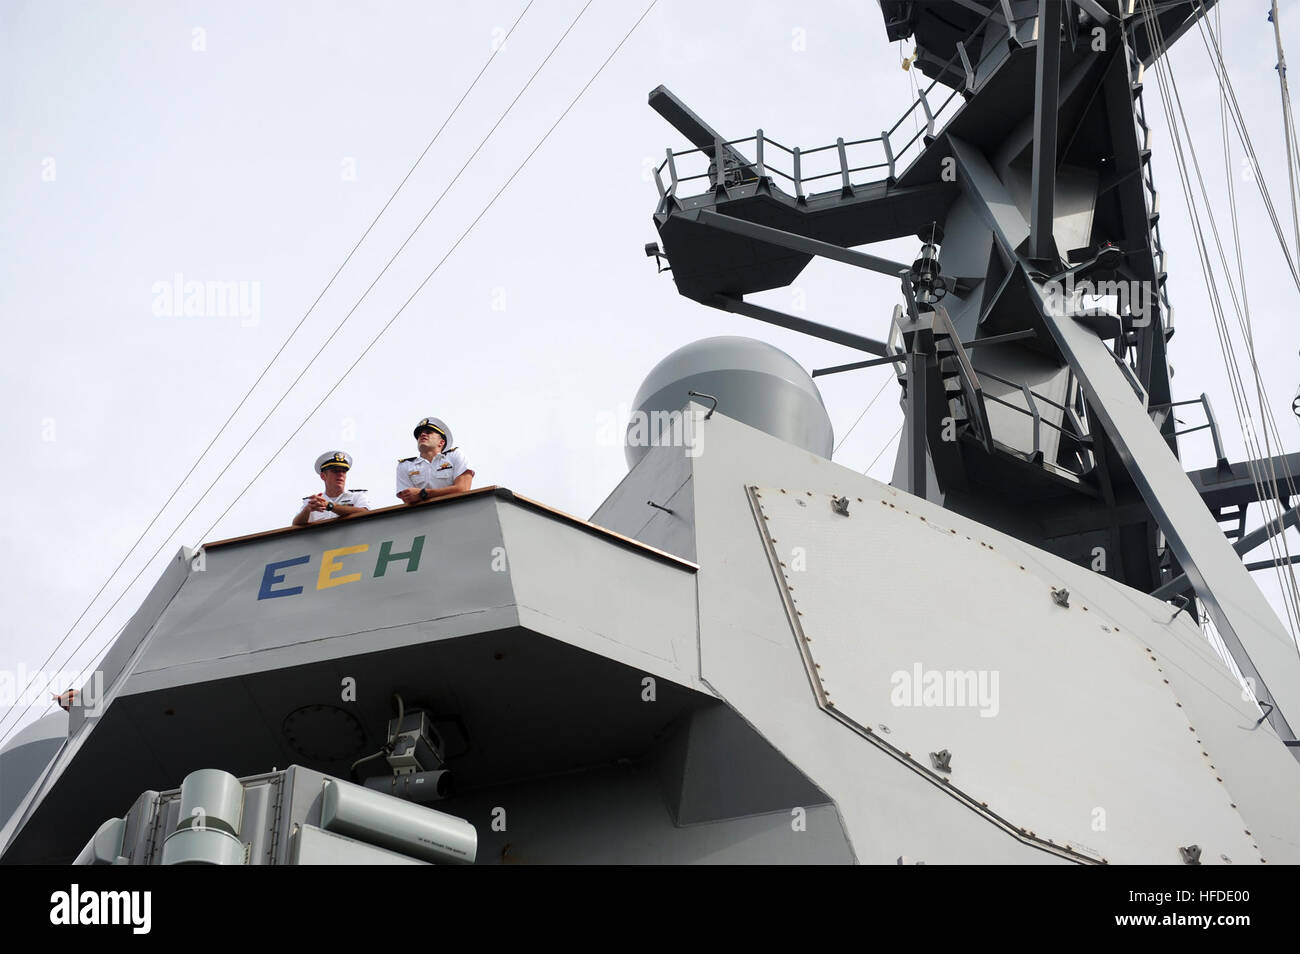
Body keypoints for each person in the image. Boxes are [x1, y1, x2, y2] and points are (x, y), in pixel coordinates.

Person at [396, 416, 474, 504]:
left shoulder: (454, 455)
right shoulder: (405, 465)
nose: (422, 435)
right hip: (424, 515)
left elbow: (463, 488)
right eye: (419, 434)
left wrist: (423, 493)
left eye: (428, 432)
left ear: (441, 442)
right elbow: (408, 498)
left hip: (455, 510)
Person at [293, 451, 371, 526]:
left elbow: (365, 513)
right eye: (335, 471)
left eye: (343, 471)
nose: (340, 474)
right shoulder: (313, 502)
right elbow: (295, 525)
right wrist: (307, 510)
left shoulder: (357, 496)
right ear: (323, 476)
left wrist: (331, 506)